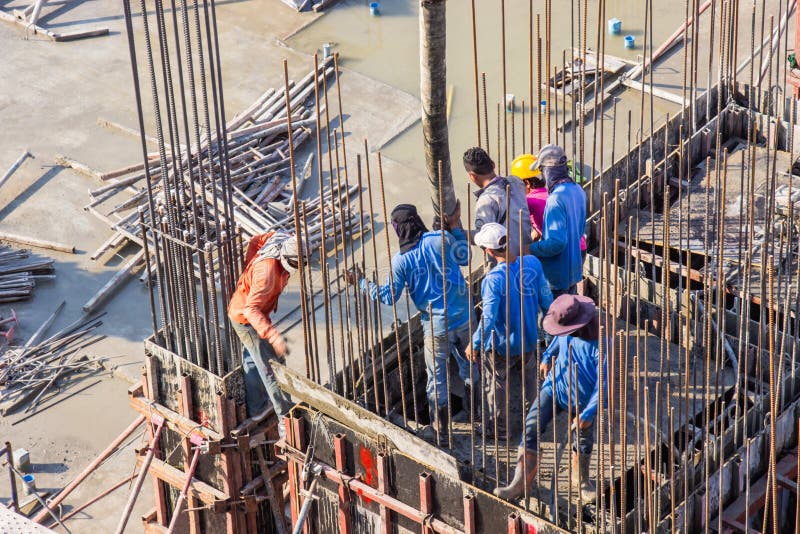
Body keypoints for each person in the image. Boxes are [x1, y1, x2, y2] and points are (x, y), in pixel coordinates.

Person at [347, 204, 479, 442]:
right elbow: (465, 257)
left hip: (436, 327)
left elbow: (389, 296)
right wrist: (455, 227)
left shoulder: (400, 261)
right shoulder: (440, 239)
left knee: (437, 379)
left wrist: (361, 282)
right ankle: (477, 416)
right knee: (470, 365)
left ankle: (441, 433)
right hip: (464, 316)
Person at [493, 294, 605, 503]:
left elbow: (604, 385)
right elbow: (557, 340)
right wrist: (546, 357)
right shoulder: (568, 328)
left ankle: (580, 479)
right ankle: (521, 482)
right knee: (531, 426)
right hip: (555, 386)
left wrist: (589, 412)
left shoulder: (601, 345)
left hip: (583, 399)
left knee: (582, 440)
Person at [465, 223, 553, 440]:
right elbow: (547, 301)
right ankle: (535, 425)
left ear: (489, 251)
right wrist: (551, 337)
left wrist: (474, 344)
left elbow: (488, 319)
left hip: (501, 347)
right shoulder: (533, 263)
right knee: (531, 383)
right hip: (529, 339)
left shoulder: (493, 280)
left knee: (497, 388)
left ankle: (500, 431)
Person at [227, 231, 297, 439]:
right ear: (284, 257)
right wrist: (273, 336)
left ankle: (257, 407)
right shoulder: (265, 275)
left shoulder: (283, 239)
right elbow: (251, 310)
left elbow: (256, 240)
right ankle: (285, 419)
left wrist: (250, 267)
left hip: (249, 311)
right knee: (271, 368)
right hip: (247, 318)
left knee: (252, 359)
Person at [527, 145, 587, 298]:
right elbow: (580, 230)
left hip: (557, 275)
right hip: (574, 267)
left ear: (548, 171)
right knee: (570, 308)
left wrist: (529, 248)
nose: (542, 176)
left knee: (554, 312)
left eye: (541, 170)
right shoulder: (577, 189)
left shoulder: (555, 199)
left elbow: (556, 243)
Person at [510, 153, 587, 255]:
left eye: (517, 185)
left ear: (527, 183)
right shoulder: (550, 192)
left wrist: (523, 249)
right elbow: (541, 225)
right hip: (580, 247)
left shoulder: (529, 200)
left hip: (565, 251)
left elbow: (513, 221)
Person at [463, 147, 532, 259]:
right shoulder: (516, 181)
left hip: (506, 263)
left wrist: (458, 232)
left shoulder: (486, 200)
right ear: (493, 164)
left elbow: (484, 239)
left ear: (472, 176)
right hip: (528, 256)